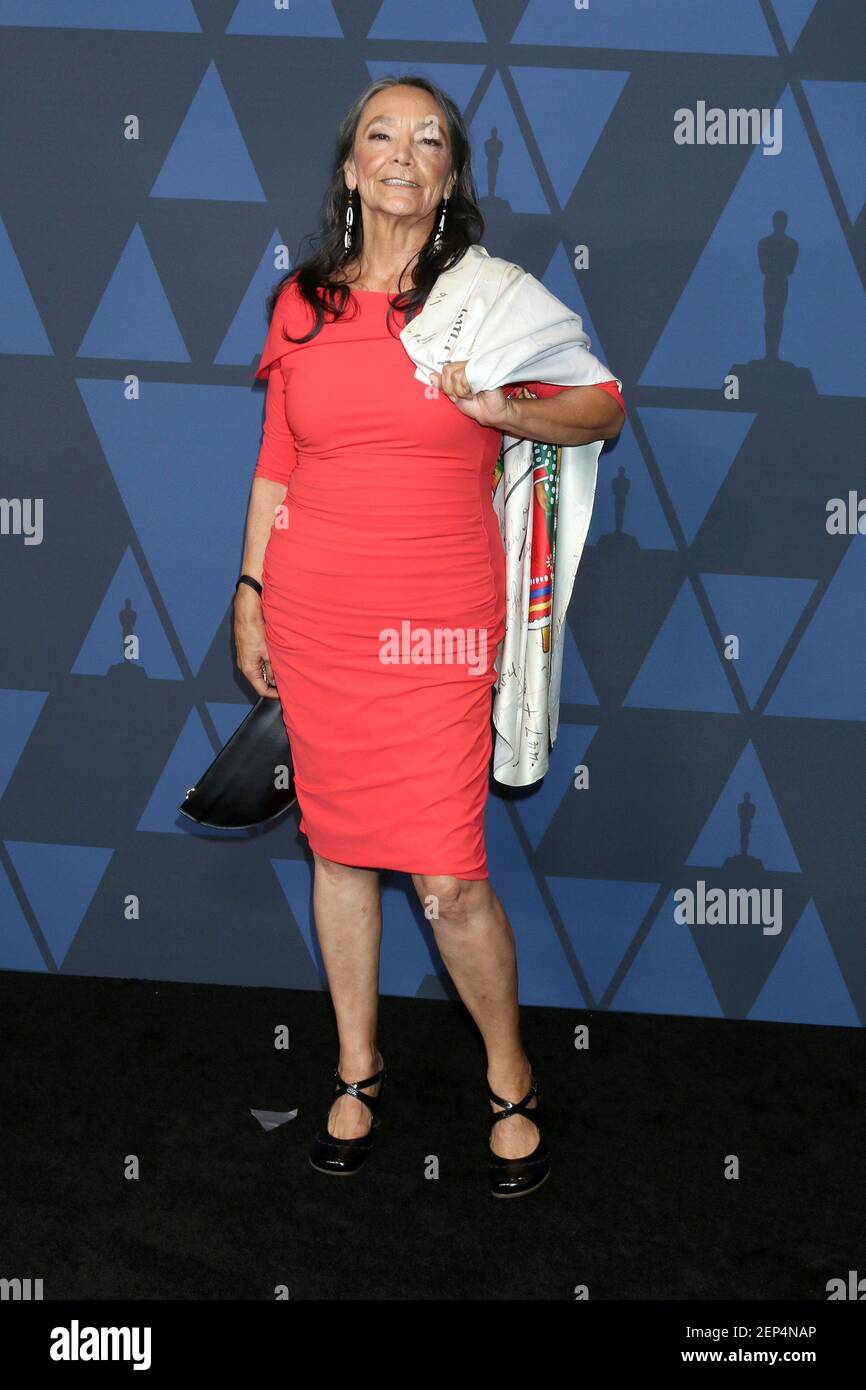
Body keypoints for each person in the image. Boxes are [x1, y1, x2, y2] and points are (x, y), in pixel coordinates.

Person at [234, 74, 625, 1198]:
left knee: (449, 878)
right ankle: (356, 1069)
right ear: (351, 168)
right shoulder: (302, 302)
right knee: (339, 850)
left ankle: (509, 1074)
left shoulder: (488, 302)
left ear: (448, 176)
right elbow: (278, 456)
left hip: (439, 626)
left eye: (428, 139)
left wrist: (504, 408)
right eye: (381, 134)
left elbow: (602, 405)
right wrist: (251, 589)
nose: (403, 152)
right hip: (316, 612)